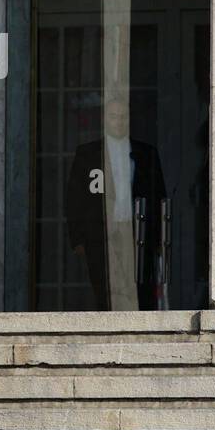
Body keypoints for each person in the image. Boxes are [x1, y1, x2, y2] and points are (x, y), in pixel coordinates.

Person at [65, 97, 167, 310]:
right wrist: (78, 239)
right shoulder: (88, 154)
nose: (119, 121)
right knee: (104, 291)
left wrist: (158, 239)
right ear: (105, 119)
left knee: (141, 289)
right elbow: (75, 199)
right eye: (114, 117)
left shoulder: (147, 153)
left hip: (137, 233)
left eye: (123, 117)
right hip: (100, 234)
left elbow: (159, 197)